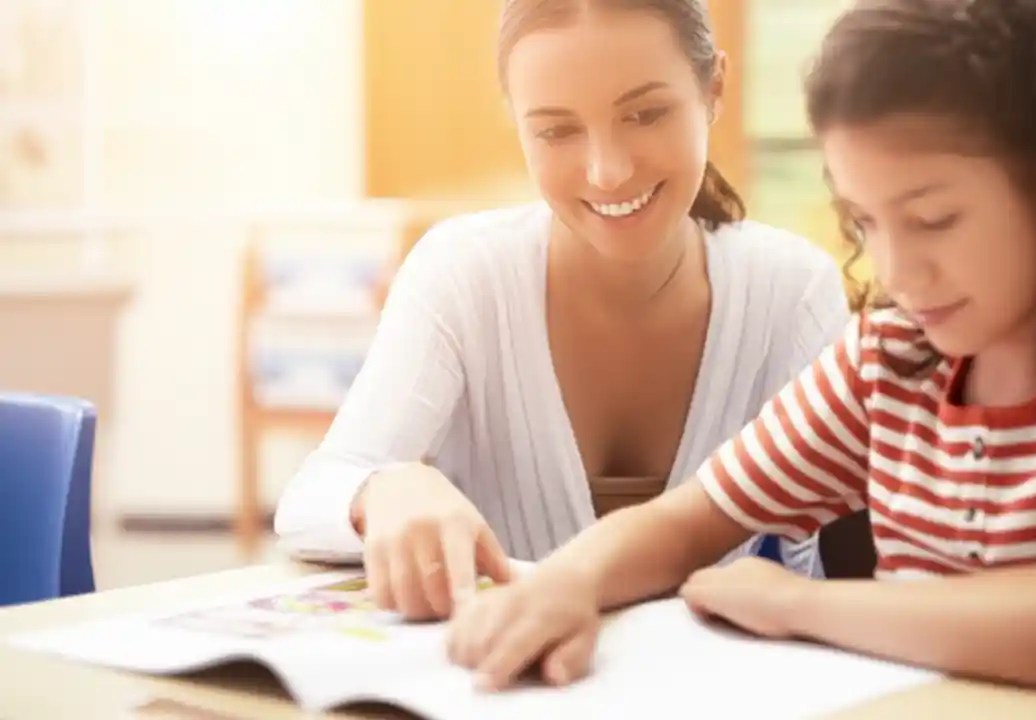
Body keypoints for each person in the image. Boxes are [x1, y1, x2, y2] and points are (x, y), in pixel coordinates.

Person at [446, 0, 1036, 691]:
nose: (898, 269)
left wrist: (798, 606)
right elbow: (687, 522)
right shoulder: (890, 358)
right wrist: (565, 584)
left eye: (934, 219)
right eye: (866, 222)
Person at [272, 0, 851, 621]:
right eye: (556, 130)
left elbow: (850, 561)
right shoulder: (463, 274)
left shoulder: (794, 293)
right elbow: (312, 497)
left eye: (645, 113)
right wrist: (381, 489)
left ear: (714, 88)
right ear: (516, 122)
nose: (608, 171)